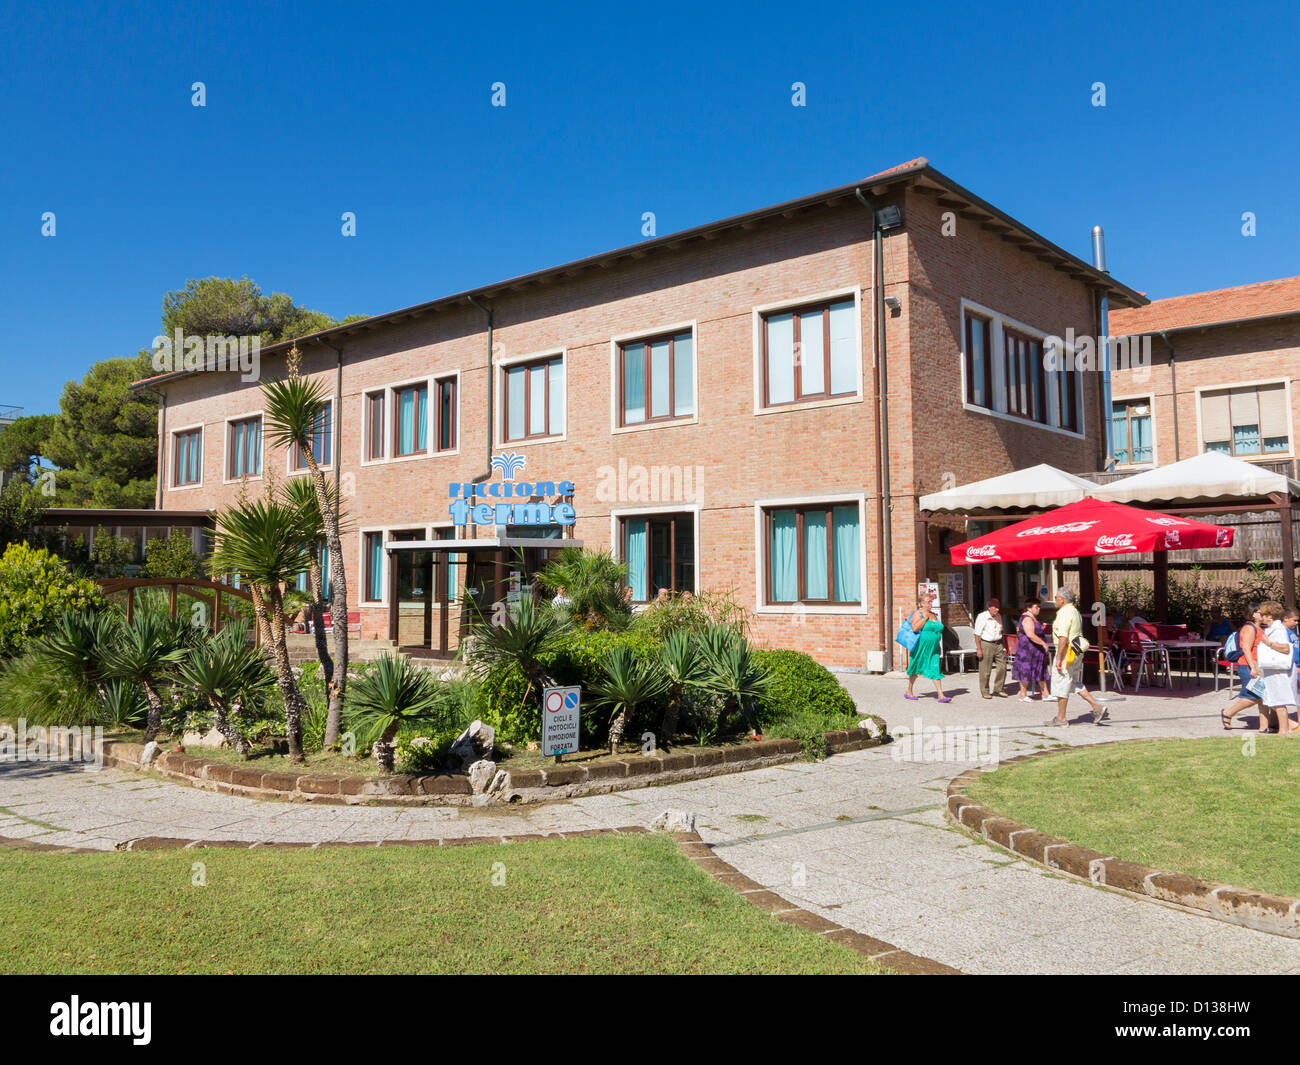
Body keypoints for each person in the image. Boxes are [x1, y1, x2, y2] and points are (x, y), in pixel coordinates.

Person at [1045, 587, 1108, 726]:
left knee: (1061, 683)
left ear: (1062, 599)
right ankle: (1097, 707)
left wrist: (1059, 658)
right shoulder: (1075, 611)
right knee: (1073, 682)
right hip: (1075, 651)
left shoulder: (1064, 613)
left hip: (1067, 652)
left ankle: (1061, 718)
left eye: (1056, 597)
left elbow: (1063, 637)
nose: (1055, 600)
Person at [1255, 601, 1297, 736]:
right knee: (1271, 698)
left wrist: (1269, 643)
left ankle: (1284, 730)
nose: (1260, 616)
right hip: (1272, 670)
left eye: (1262, 614)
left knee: (1278, 701)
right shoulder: (1274, 628)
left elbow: (1285, 648)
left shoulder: (1278, 630)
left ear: (1269, 615)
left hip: (1278, 671)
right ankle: (1288, 727)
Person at [1221, 605, 1263, 731]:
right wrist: (1253, 667)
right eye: (1261, 612)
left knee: (1261, 696)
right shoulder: (1249, 628)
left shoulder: (1258, 627)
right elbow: (1246, 648)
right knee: (1254, 695)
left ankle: (1266, 725)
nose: (1264, 614)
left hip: (1256, 664)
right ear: (1254, 614)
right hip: (1247, 665)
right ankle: (1228, 713)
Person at [904, 591, 950, 702]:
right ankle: (909, 691)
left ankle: (941, 695)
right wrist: (924, 618)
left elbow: (939, 628)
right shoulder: (918, 614)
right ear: (922, 603)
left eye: (931, 601)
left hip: (933, 648)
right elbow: (915, 628)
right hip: (921, 647)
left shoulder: (933, 614)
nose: (930, 603)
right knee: (916, 668)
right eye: (928, 601)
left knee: (935, 668)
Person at [1012, 598, 1052, 702]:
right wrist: (1043, 643)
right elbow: (1030, 634)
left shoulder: (1034, 618)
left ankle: (1045, 694)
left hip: (1035, 649)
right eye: (1036, 607)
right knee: (1026, 671)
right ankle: (1023, 694)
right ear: (1029, 608)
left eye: (1039, 606)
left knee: (1040, 670)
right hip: (1027, 650)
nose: (1039, 609)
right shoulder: (1027, 618)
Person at [972, 597, 1008, 699]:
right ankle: (985, 691)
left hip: (998, 643)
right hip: (986, 643)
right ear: (989, 607)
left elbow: (1001, 631)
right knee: (985, 669)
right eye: (995, 607)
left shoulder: (999, 616)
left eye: (998, 607)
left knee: (1002, 667)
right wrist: (979, 649)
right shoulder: (982, 617)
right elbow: (977, 634)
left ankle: (999, 688)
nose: (997, 609)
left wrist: (1003, 646)